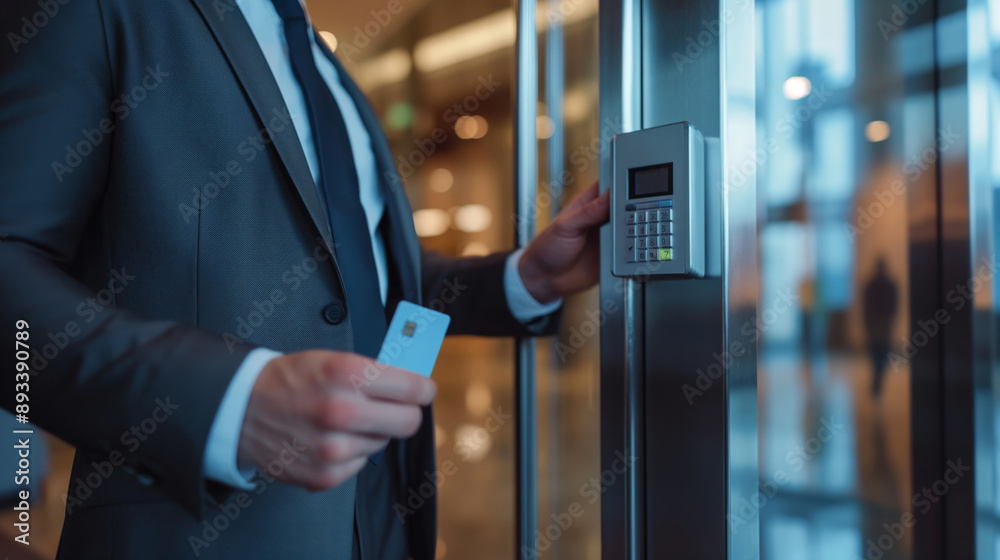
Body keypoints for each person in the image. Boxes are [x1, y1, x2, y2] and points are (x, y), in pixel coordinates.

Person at [0, 0, 609, 558]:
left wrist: (521, 278)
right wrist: (227, 403)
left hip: (385, 519)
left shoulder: (327, 67)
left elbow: (358, 282)